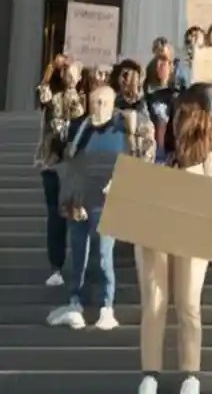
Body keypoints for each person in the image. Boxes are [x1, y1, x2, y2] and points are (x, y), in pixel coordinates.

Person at [136, 86, 212, 394]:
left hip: (192, 235)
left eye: (185, 116)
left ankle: (190, 373)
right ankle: (150, 372)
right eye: (178, 115)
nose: (180, 121)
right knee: (155, 301)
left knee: (188, 302)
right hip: (159, 233)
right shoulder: (164, 159)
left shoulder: (211, 160)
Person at [48, 84, 155, 330]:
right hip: (80, 200)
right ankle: (76, 302)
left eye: (104, 103)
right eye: (95, 102)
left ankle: (107, 306)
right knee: (79, 254)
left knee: (104, 255)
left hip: (107, 200)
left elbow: (139, 156)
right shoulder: (81, 129)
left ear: (113, 103)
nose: (98, 107)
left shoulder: (123, 127)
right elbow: (70, 163)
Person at [36, 59, 84, 287]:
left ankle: (80, 266)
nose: (68, 75)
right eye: (65, 71)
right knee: (55, 215)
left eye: (72, 71)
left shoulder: (83, 97)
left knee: (75, 214)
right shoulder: (52, 95)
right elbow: (41, 93)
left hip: (74, 164)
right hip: (52, 163)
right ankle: (56, 266)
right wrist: (51, 68)